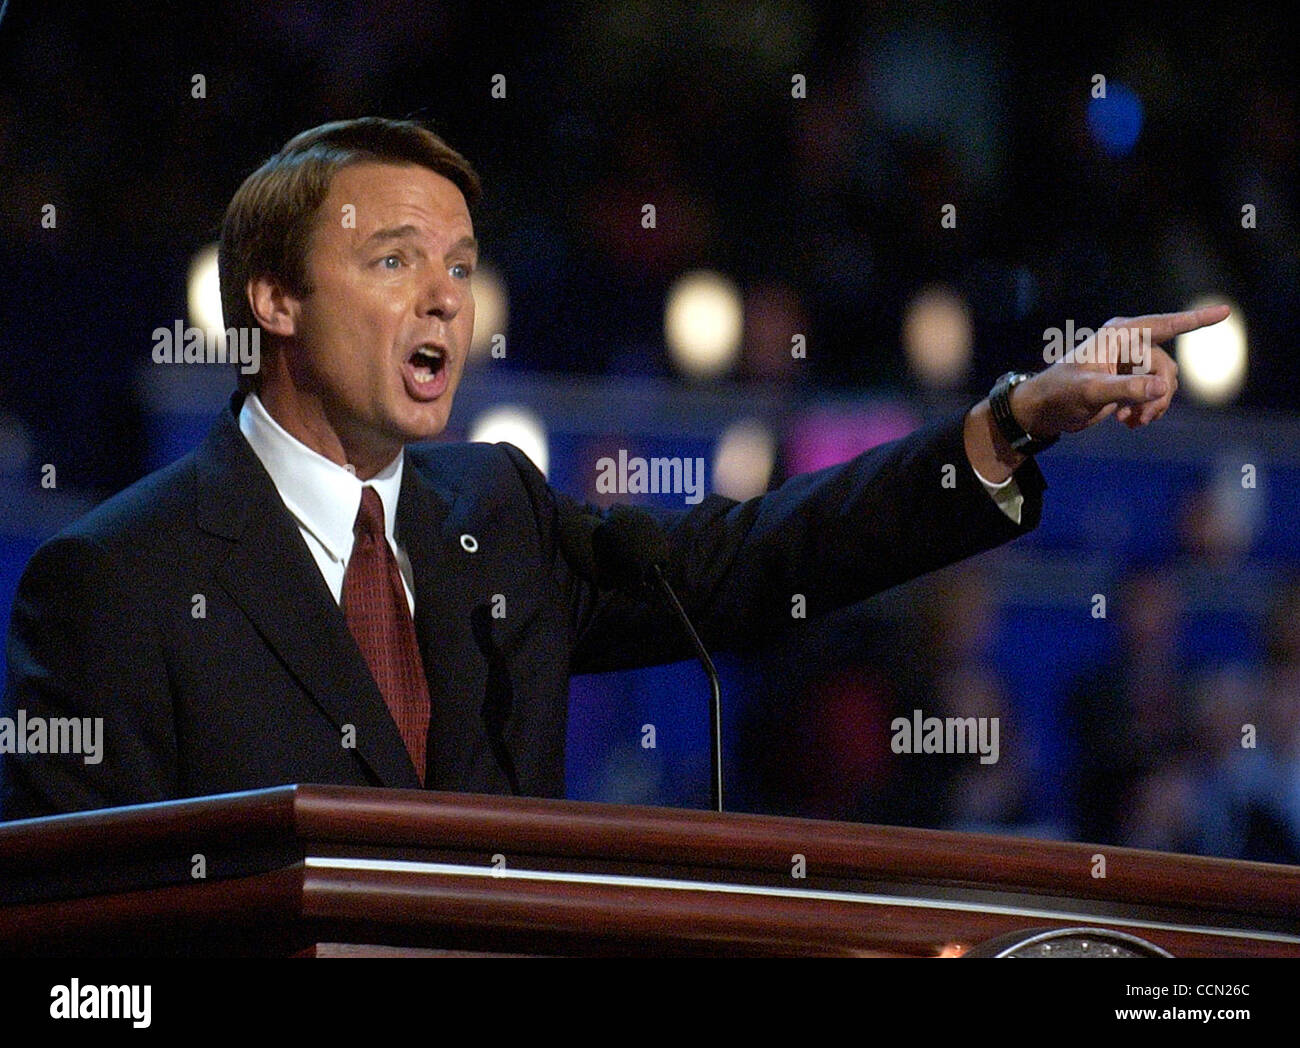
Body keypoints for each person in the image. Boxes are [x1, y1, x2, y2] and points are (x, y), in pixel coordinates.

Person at [0, 117, 1223, 819]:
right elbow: (81, 957)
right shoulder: (117, 578)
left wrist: (1014, 419)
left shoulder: (500, 516)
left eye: (464, 263)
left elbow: (759, 559)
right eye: (395, 260)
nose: (445, 296)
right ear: (270, 296)